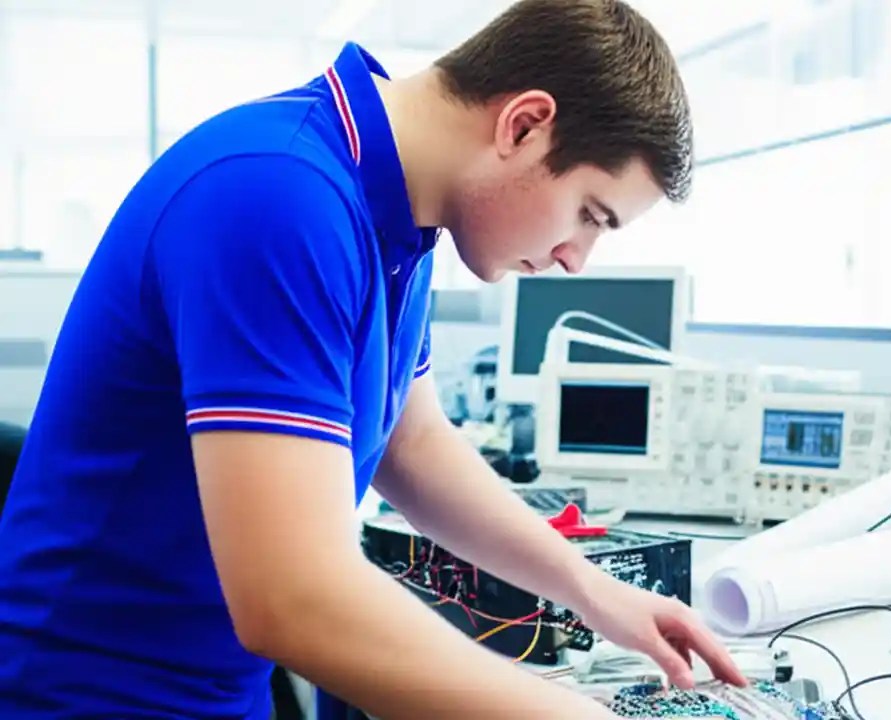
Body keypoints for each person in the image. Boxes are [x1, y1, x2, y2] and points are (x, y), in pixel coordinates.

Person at [0, 1, 746, 717]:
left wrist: (594, 592)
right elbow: (292, 599)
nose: (576, 259)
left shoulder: (397, 215)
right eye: (589, 214)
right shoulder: (277, 199)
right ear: (523, 125)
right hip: (83, 694)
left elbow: (412, 445)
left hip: (208, 690)